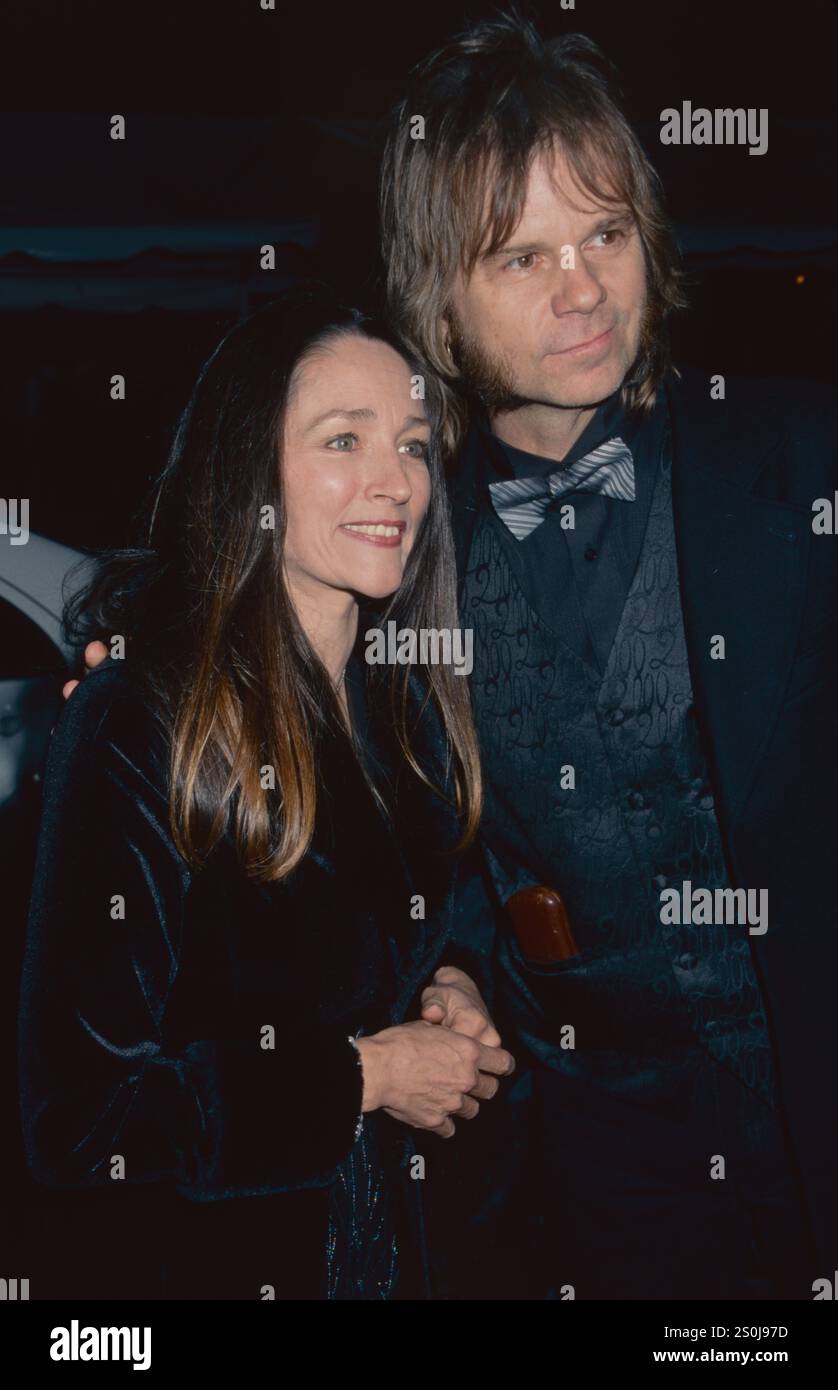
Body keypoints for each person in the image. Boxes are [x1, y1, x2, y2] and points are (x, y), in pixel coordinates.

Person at [379, 13, 838, 1299]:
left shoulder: (800, 459)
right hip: (593, 1140)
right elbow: (418, 846)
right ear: (439, 299)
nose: (581, 289)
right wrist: (453, 967)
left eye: (605, 234)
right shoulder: (401, 547)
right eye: (521, 256)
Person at [17, 286, 514, 1301]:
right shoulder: (140, 716)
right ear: (251, 472)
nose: (394, 482)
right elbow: (81, 1119)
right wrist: (366, 1076)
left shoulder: (410, 710)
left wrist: (455, 983)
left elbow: (438, 917)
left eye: (414, 444)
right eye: (343, 440)